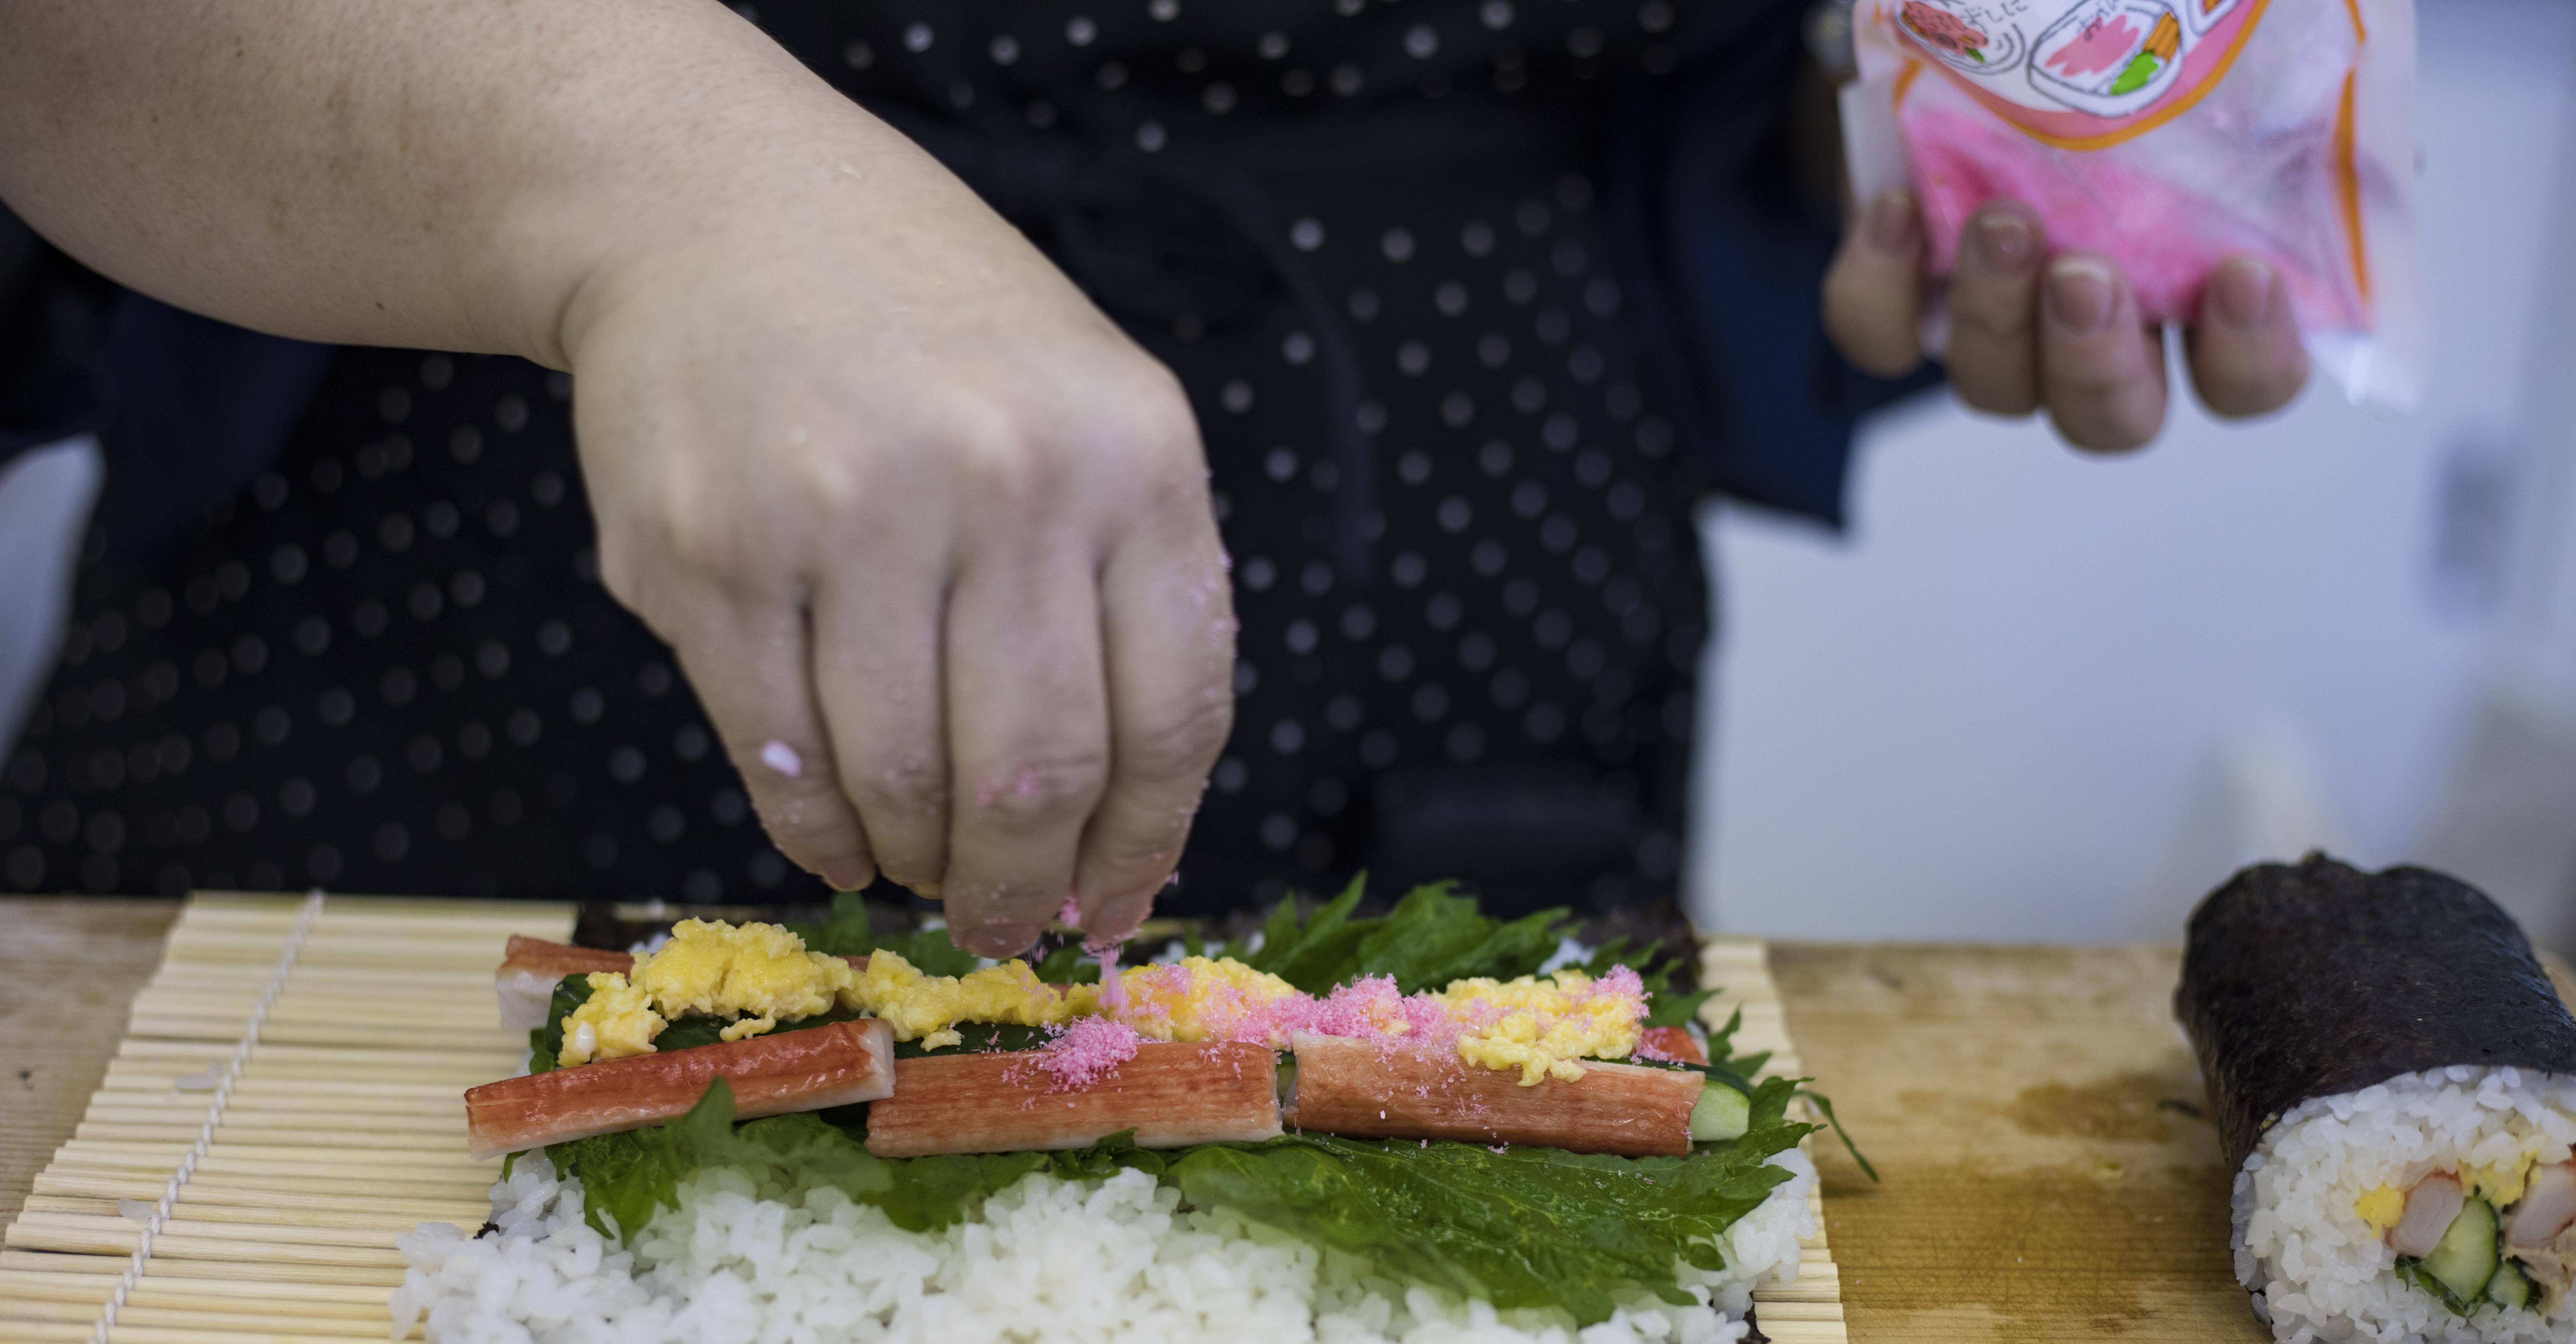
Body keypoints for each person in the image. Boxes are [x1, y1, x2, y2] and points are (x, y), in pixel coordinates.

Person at [0, 0, 2307, 954]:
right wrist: (649, 186)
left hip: (1496, 671)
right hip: (426, 648)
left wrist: (1979, 117)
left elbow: (1765, 83)